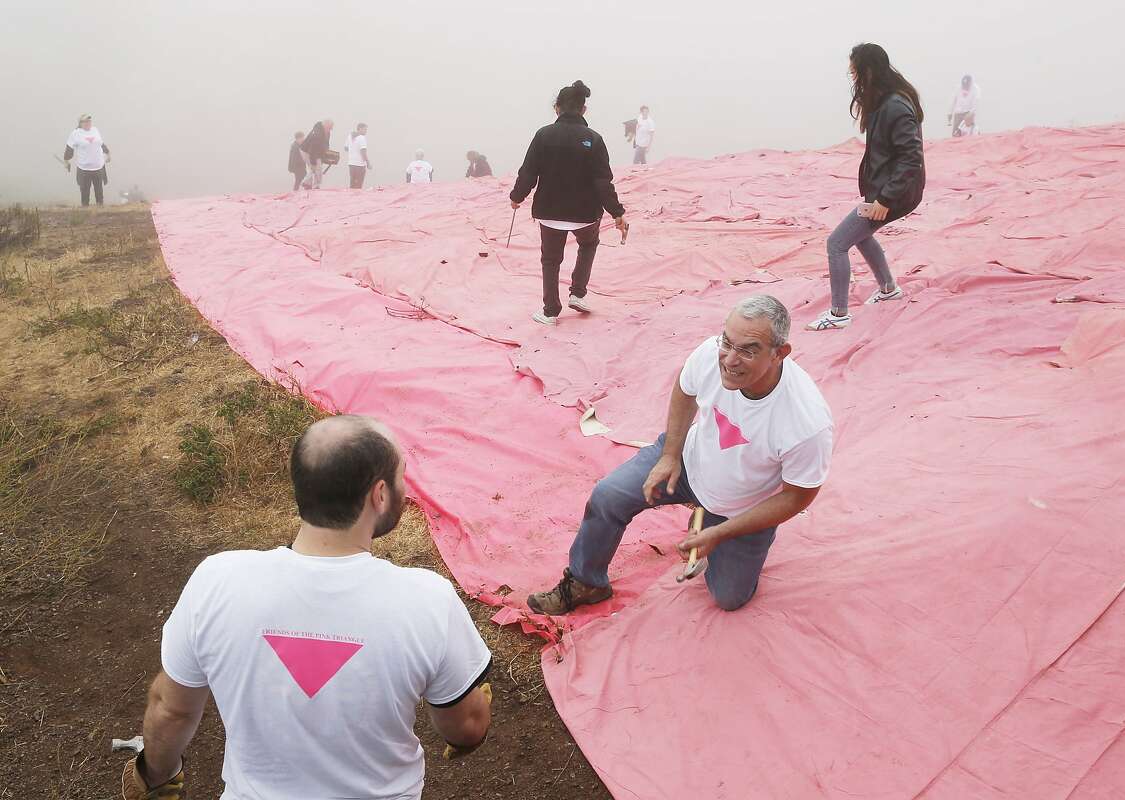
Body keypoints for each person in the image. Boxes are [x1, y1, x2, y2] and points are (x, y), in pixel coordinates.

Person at [119, 415, 493, 800]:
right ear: (379, 495)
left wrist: (156, 775)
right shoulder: (429, 600)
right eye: (400, 477)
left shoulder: (215, 581)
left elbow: (171, 709)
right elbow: (465, 728)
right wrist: (473, 701)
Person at [528, 296, 832, 614]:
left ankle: (714, 525)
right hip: (687, 462)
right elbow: (685, 389)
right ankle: (586, 582)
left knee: (729, 598)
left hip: (740, 507)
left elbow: (797, 497)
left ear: (779, 354)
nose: (729, 359)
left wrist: (722, 532)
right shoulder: (710, 354)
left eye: (748, 350)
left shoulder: (806, 422)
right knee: (608, 496)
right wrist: (670, 455)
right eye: (727, 342)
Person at [808, 43, 925, 331]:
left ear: (868, 71)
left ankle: (839, 314)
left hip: (894, 194)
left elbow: (911, 158)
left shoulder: (895, 106)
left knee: (836, 243)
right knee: (860, 235)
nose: (853, 79)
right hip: (887, 190)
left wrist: (885, 199)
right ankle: (888, 288)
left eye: (854, 73)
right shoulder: (885, 101)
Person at [509, 80, 629, 326]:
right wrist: (617, 213)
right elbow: (602, 181)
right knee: (588, 244)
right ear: (584, 110)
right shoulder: (593, 139)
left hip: (549, 211)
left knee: (551, 259)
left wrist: (516, 197)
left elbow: (529, 172)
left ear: (557, 108)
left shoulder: (543, 135)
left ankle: (550, 311)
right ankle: (578, 293)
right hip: (585, 214)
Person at [63, 114, 110, 207]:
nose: (88, 123)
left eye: (89, 121)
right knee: (85, 192)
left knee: (99, 191)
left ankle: (100, 208)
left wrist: (108, 153)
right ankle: (85, 209)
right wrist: (66, 160)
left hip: (98, 167)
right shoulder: (75, 133)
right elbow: (69, 148)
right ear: (81, 123)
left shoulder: (95, 130)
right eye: (86, 121)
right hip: (84, 169)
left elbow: (101, 143)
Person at [301, 119, 333, 189]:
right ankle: (311, 184)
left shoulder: (327, 132)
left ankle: (309, 183)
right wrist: (313, 162)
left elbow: (326, 143)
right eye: (330, 127)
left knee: (316, 168)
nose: (331, 129)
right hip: (307, 151)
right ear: (325, 125)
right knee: (315, 167)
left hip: (316, 152)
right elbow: (312, 149)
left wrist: (326, 153)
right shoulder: (317, 134)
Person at [345, 123, 370, 189]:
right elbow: (363, 152)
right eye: (365, 129)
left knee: (352, 183)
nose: (366, 131)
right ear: (360, 129)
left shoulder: (350, 136)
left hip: (351, 163)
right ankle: (357, 198)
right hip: (360, 165)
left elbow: (346, 148)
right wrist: (368, 163)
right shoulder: (362, 138)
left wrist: (352, 150)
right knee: (358, 185)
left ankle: (351, 197)